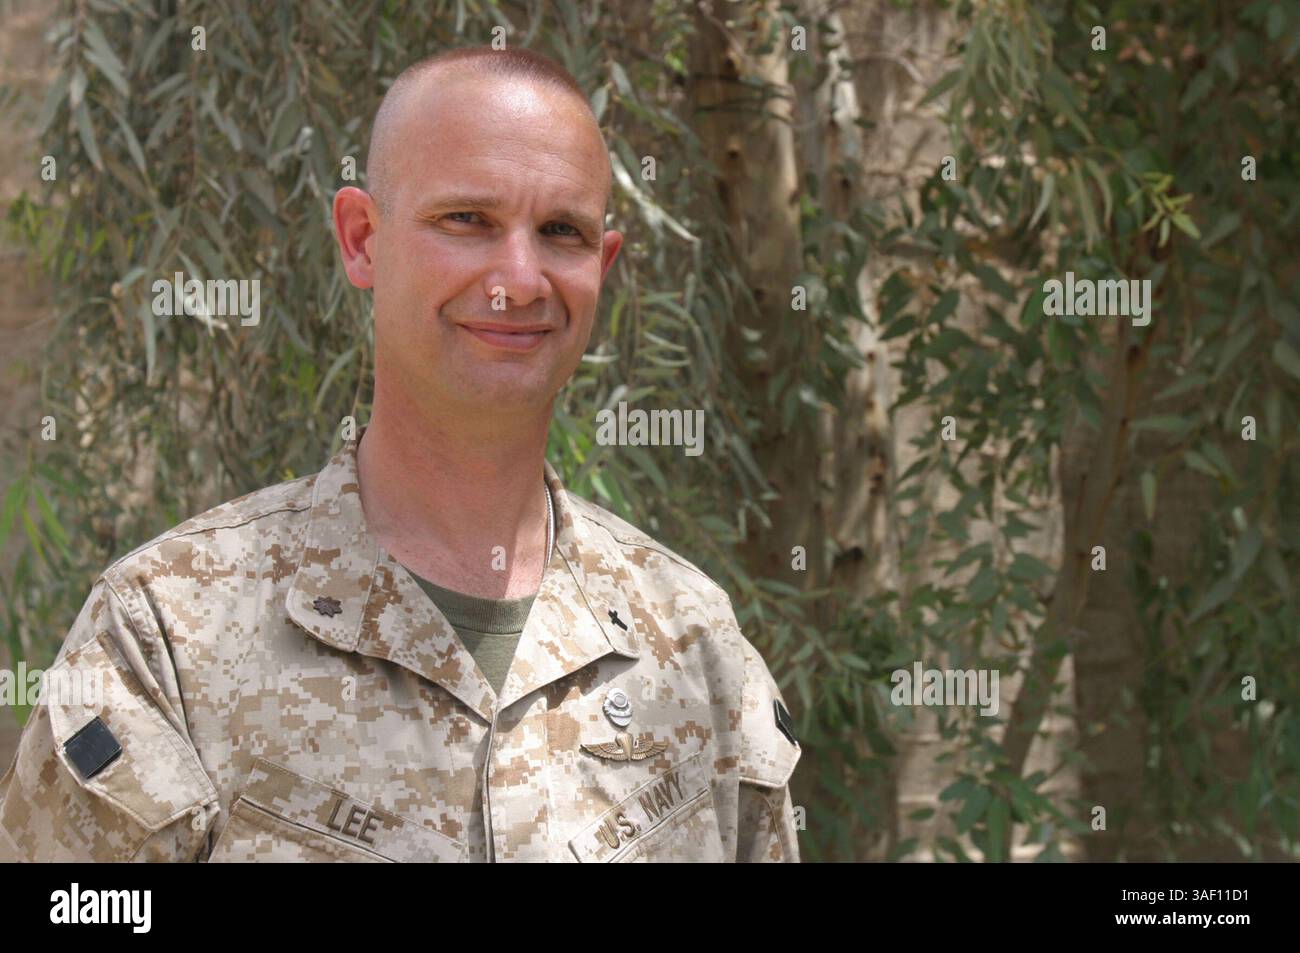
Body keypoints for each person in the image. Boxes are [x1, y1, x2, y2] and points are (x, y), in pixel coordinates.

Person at [0, 45, 802, 863]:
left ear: (603, 266)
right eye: (468, 221)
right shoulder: (166, 638)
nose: (518, 280)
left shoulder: (695, 646)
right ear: (361, 240)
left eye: (561, 231)